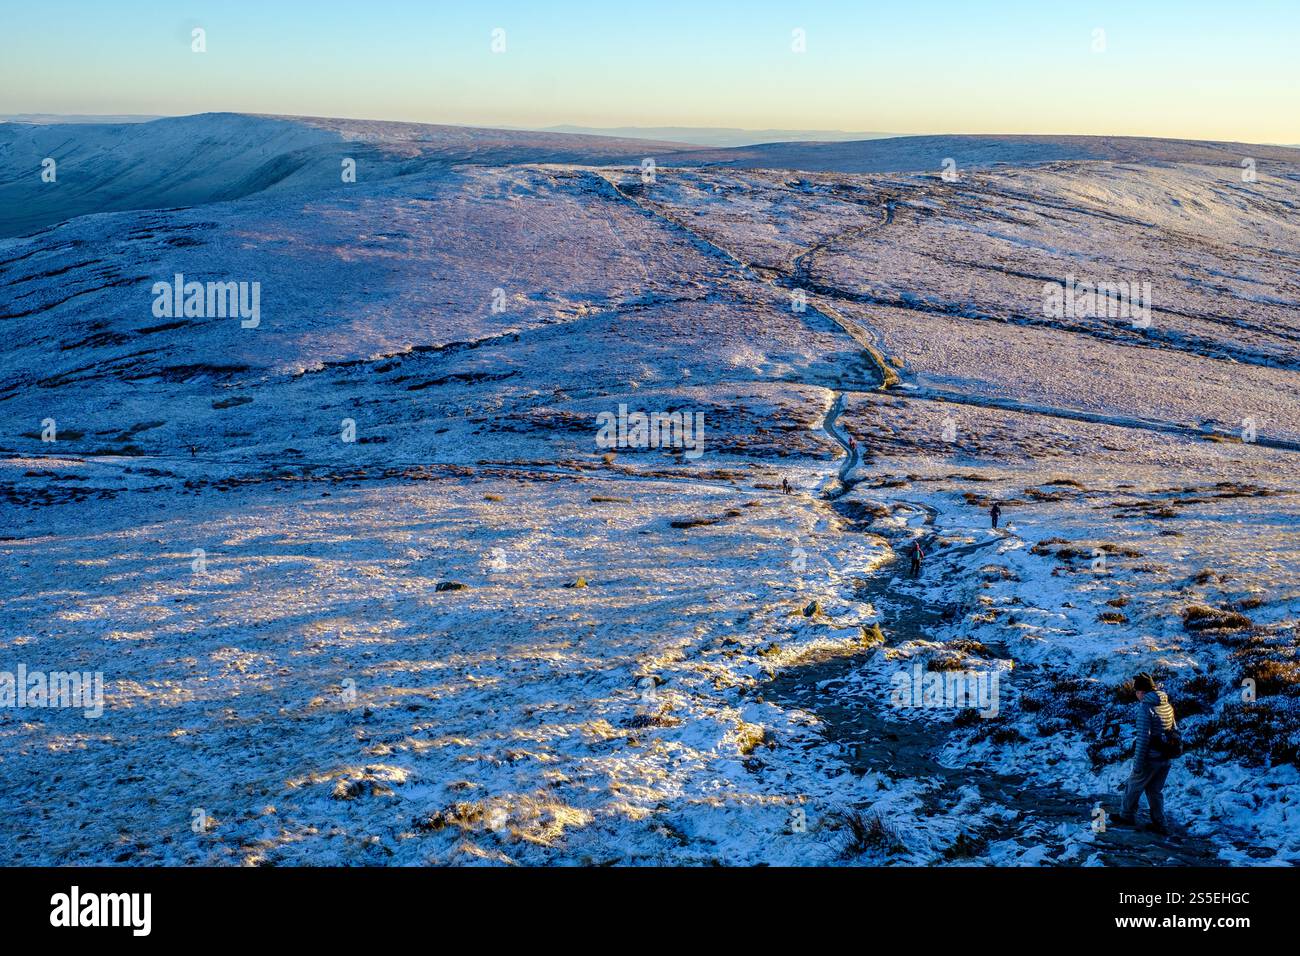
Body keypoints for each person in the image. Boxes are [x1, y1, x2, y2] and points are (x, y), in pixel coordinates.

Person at [1114, 672, 1178, 836]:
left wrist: (1137, 764)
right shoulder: (1166, 705)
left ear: (1142, 691)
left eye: (1136, 690)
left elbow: (1143, 738)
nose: (1135, 694)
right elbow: (1174, 732)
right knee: (1154, 791)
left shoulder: (1145, 708)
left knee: (1133, 786)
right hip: (1165, 757)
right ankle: (1160, 823)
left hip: (1150, 757)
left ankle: (1126, 816)